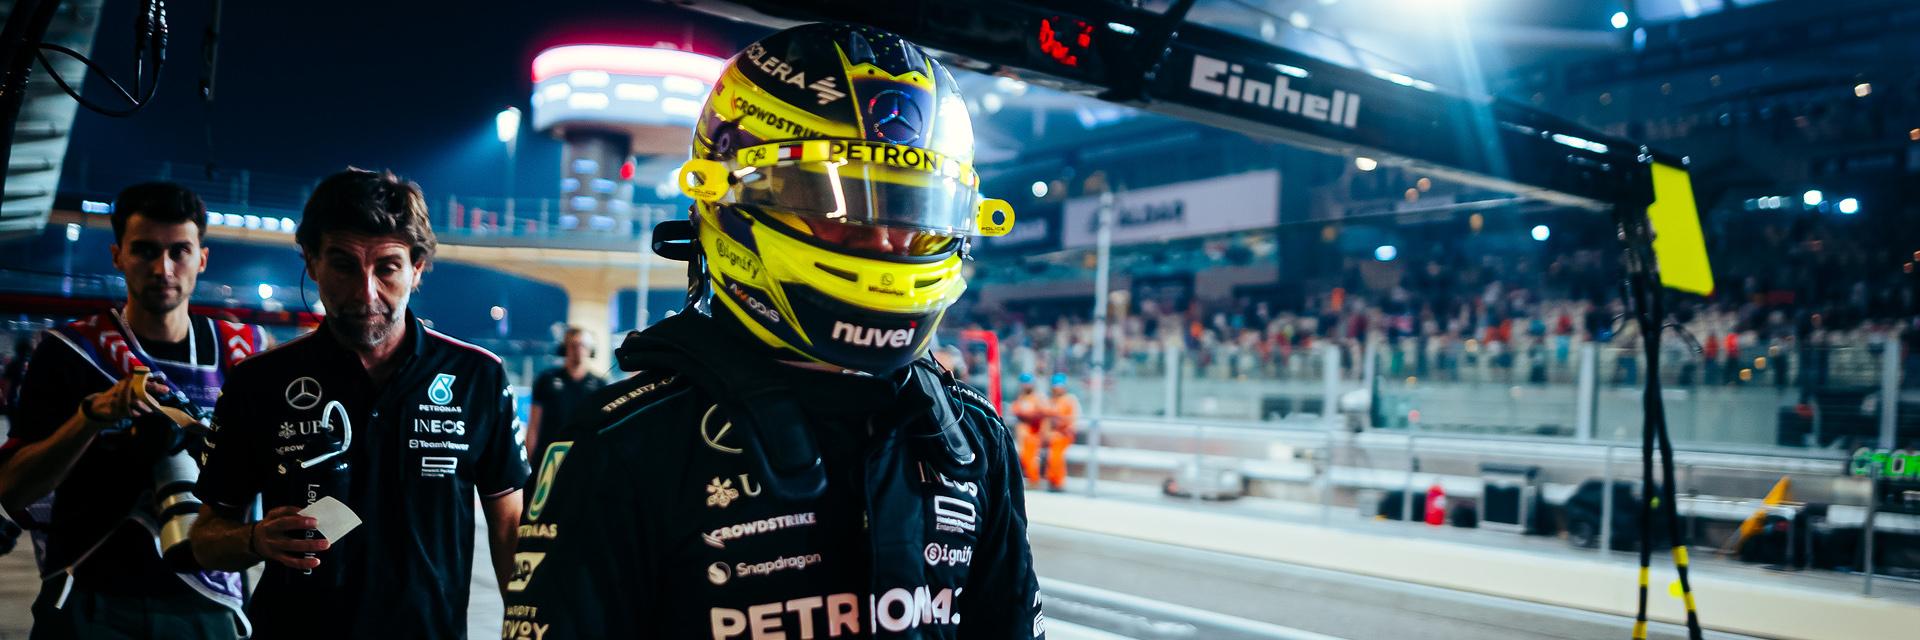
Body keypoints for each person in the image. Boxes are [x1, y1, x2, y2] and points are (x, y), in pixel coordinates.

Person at [502, 23, 1045, 639]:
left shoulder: (971, 437)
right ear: (730, 201)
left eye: (913, 213)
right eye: (843, 210)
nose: (889, 243)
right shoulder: (620, 445)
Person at [187, 169, 530, 638]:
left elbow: (511, 534)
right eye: (344, 265)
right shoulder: (259, 383)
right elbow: (205, 541)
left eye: (387, 267)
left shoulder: (478, 377)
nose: (365, 293)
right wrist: (254, 538)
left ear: (418, 268)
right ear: (312, 263)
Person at [0, 183, 264, 638]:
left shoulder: (243, 353)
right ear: (117, 255)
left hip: (209, 596)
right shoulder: (68, 352)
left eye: (179, 251)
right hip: (90, 593)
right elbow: (14, 491)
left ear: (201, 259)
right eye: (144, 250)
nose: (163, 268)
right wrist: (90, 419)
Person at [525, 326, 606, 464]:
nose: (578, 350)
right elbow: (534, 425)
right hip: (548, 457)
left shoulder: (600, 384)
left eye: (583, 345)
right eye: (573, 345)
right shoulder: (546, 380)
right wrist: (528, 459)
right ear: (565, 348)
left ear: (590, 350)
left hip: (583, 457)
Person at [1035, 374, 1080, 492]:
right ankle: (1040, 480)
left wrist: (1055, 417)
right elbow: (1045, 416)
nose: (1057, 388)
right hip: (1051, 435)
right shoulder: (1050, 400)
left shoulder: (1069, 400)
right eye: (1055, 386)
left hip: (1064, 435)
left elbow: (1068, 419)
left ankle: (1057, 482)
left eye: (1059, 386)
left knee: (1055, 454)